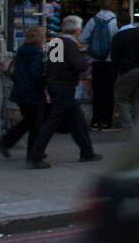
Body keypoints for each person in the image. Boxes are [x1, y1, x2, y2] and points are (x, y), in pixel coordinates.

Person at [28, 15, 100, 168]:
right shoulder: (70, 45)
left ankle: (87, 152)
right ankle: (35, 156)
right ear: (77, 30)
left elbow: (51, 65)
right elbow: (79, 65)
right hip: (65, 86)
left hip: (55, 85)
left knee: (77, 121)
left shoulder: (57, 42)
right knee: (52, 122)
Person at [0, 25, 47, 159]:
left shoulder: (21, 52)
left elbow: (16, 72)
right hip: (33, 92)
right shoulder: (36, 53)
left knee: (29, 121)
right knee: (35, 124)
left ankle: (7, 141)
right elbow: (36, 74)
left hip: (20, 91)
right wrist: (46, 81)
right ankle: (33, 154)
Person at [79, 1, 118, 130]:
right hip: (110, 61)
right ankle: (107, 121)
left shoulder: (93, 20)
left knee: (97, 91)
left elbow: (82, 39)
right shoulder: (114, 21)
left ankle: (95, 120)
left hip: (96, 61)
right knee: (108, 92)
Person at [110, 18, 139, 132]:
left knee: (121, 99)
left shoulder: (118, 37)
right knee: (138, 98)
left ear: (119, 23)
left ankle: (129, 128)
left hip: (127, 70)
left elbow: (114, 57)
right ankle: (138, 128)